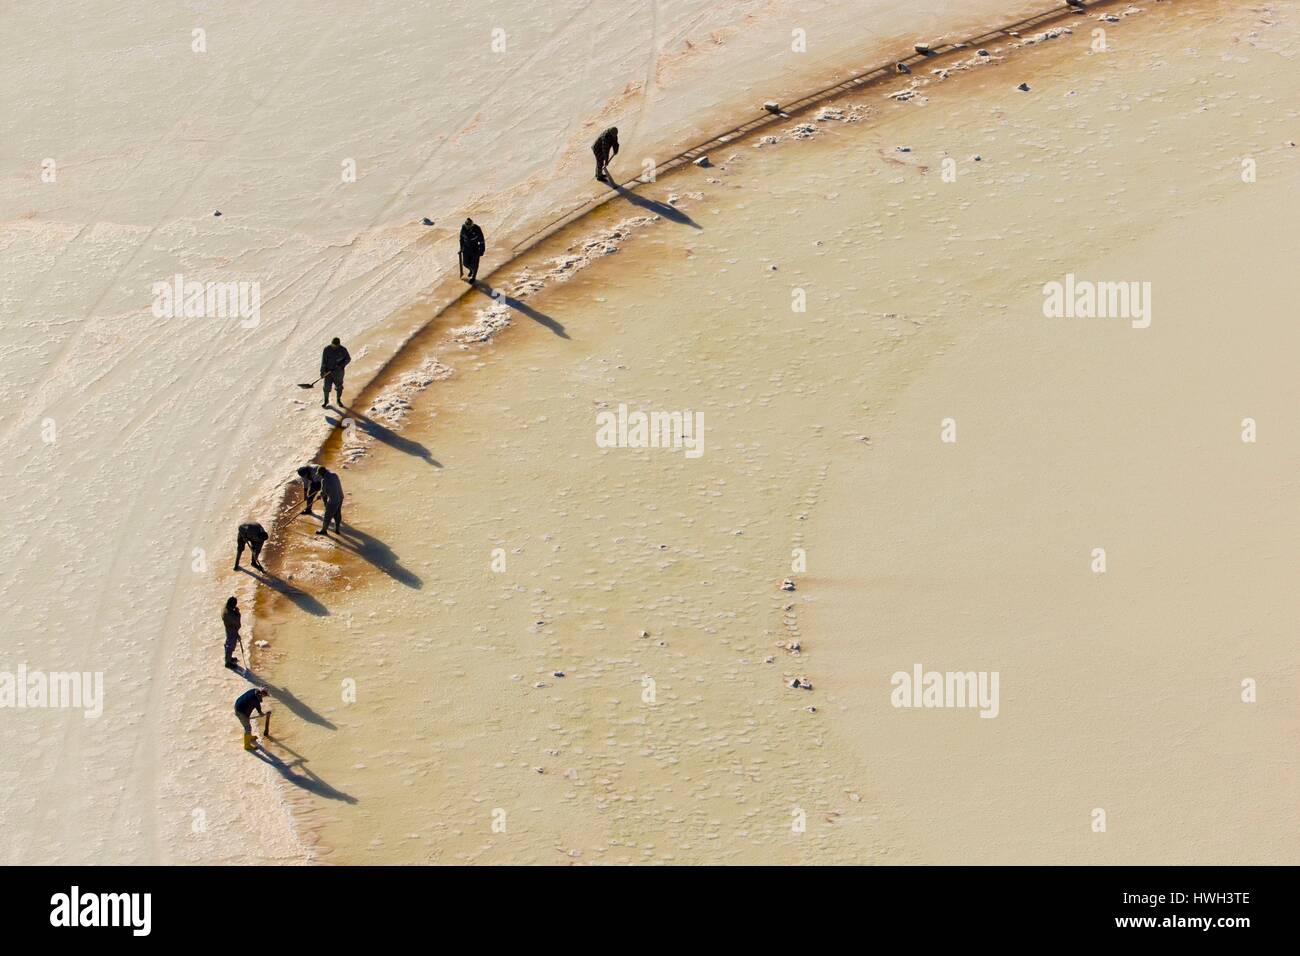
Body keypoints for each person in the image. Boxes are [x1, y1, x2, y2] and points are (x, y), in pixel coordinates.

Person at [235, 687, 269, 752]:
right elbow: (257, 703)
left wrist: (260, 712)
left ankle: (249, 737)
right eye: (265, 695)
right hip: (241, 711)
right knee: (248, 728)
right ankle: (247, 746)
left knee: (248, 725)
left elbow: (257, 704)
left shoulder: (254, 691)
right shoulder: (255, 699)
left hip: (238, 706)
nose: (265, 697)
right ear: (262, 694)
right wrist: (260, 713)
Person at [320, 337, 351, 408]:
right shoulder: (327, 349)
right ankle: (326, 401)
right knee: (326, 387)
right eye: (333, 345)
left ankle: (338, 400)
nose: (334, 347)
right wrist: (322, 372)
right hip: (328, 372)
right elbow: (323, 362)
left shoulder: (343, 350)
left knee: (339, 387)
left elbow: (348, 359)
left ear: (339, 345)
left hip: (338, 372)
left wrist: (341, 365)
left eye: (336, 346)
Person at [316, 466, 345, 536]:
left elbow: (324, 493)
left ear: (322, 473)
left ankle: (323, 531)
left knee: (327, 516)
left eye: (319, 474)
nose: (319, 476)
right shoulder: (334, 475)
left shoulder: (324, 480)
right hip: (340, 497)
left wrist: (319, 496)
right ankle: (337, 529)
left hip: (333, 500)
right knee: (337, 513)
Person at [459, 218, 485, 283]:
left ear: (472, 225)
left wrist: (481, 251)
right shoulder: (463, 228)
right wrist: (461, 248)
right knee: (465, 264)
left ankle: (473, 277)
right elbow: (461, 238)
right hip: (466, 249)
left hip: (475, 249)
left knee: (475, 265)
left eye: (469, 226)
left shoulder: (477, 229)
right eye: (466, 226)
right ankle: (471, 270)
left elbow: (481, 241)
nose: (467, 227)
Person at [222, 596, 242, 671]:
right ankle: (228, 662)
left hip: (229, 627)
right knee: (230, 645)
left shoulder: (226, 608)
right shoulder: (229, 614)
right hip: (231, 629)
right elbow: (237, 623)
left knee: (229, 643)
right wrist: (237, 613)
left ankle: (229, 658)